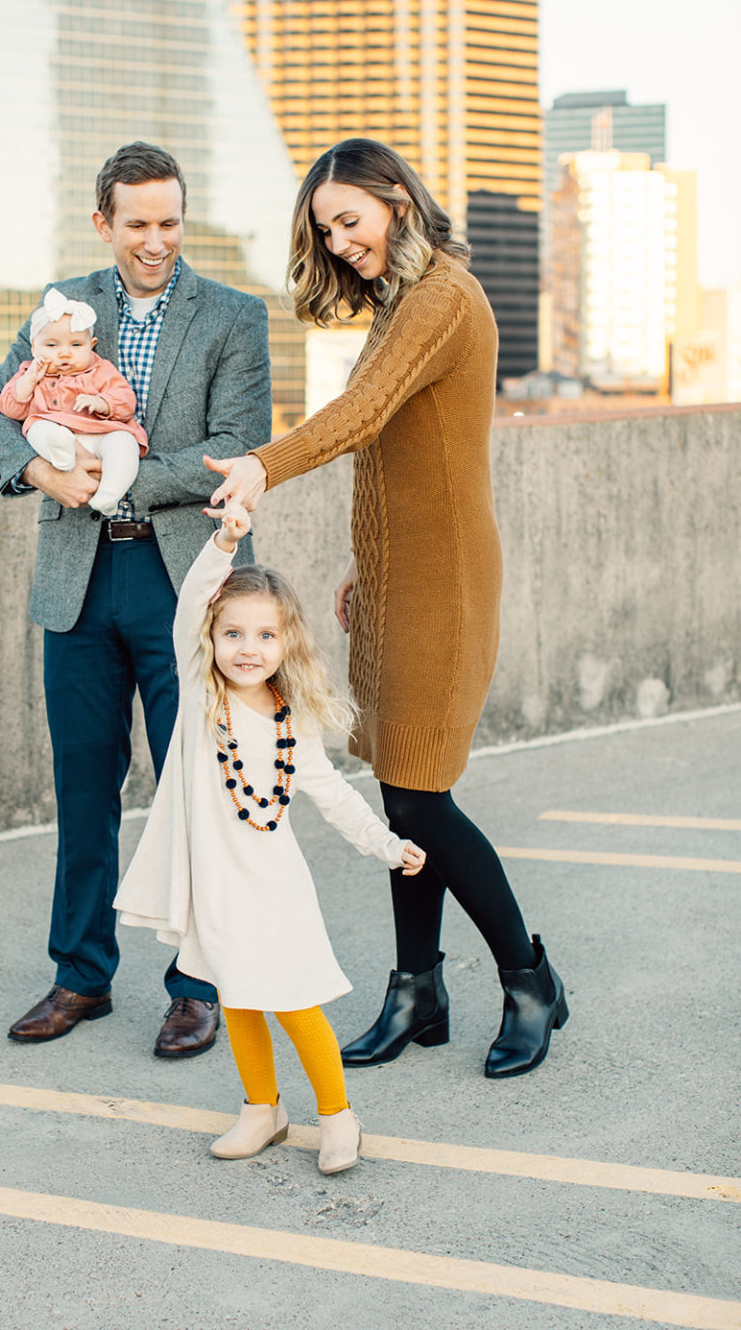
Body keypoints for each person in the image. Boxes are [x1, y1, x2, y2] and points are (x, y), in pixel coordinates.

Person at [205, 137, 567, 1080]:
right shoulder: (407, 298)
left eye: (349, 220)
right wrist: (369, 563)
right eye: (325, 231)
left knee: (422, 801)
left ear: (398, 200)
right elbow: (410, 451)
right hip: (401, 579)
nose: (339, 242)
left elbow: (361, 415)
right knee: (403, 795)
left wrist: (262, 465)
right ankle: (418, 991)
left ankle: (529, 980)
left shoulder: (442, 295)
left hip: (444, 585)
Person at [0, 141, 272, 1058]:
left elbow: (233, 447)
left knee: (200, 788)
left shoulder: (235, 316)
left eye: (169, 222)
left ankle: (198, 984)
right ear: (104, 223)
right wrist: (38, 471)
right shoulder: (61, 306)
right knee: (84, 786)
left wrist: (109, 481)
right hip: (78, 581)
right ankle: (81, 975)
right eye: (137, 223)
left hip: (185, 584)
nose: (155, 241)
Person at [114, 503, 426, 1173]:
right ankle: (263, 1110)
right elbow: (191, 602)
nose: (247, 648)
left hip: (275, 886)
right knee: (238, 997)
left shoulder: (292, 721)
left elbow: (333, 794)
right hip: (216, 884)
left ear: (288, 644)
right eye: (232, 633)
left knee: (293, 1000)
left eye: (264, 635)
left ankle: (338, 1116)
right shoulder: (203, 697)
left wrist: (385, 843)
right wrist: (225, 541)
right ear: (211, 638)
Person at [0, 290, 147, 517]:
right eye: (52, 346)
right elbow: (10, 409)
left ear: (91, 345)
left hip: (102, 432)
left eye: (76, 345)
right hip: (57, 433)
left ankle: (110, 493)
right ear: (34, 347)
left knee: (124, 442)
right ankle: (62, 456)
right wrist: (29, 380)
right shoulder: (30, 374)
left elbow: (126, 399)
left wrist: (103, 402)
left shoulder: (100, 369)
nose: (65, 354)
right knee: (37, 427)